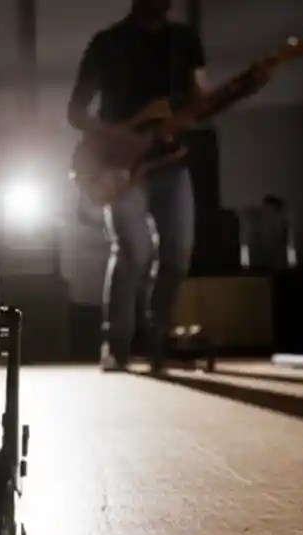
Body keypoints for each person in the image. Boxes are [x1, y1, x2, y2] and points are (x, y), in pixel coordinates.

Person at [67, 0, 209, 372]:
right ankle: (117, 346)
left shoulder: (185, 40)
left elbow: (200, 96)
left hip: (171, 162)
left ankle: (158, 342)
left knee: (178, 254)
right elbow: (76, 112)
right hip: (120, 164)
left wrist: (200, 109)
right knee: (133, 250)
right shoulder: (107, 44)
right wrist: (122, 136)